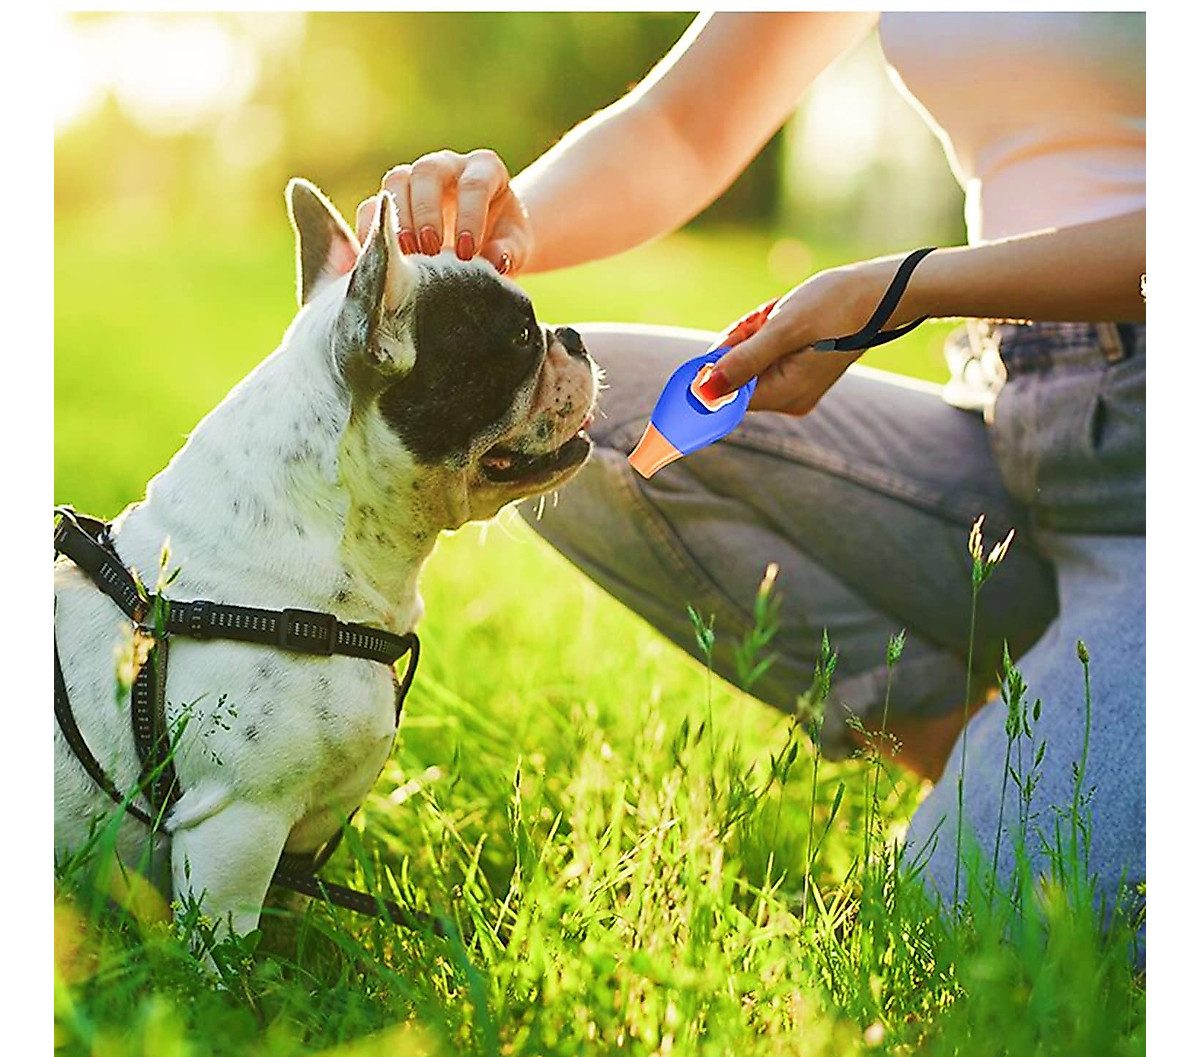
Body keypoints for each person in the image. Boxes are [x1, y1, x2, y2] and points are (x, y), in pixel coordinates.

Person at [356, 12, 1146, 921]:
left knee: (956, 927)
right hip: (1018, 421)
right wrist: (494, 238)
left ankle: (1064, 766)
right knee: (584, 429)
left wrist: (913, 286)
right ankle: (979, 749)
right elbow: (682, 129)